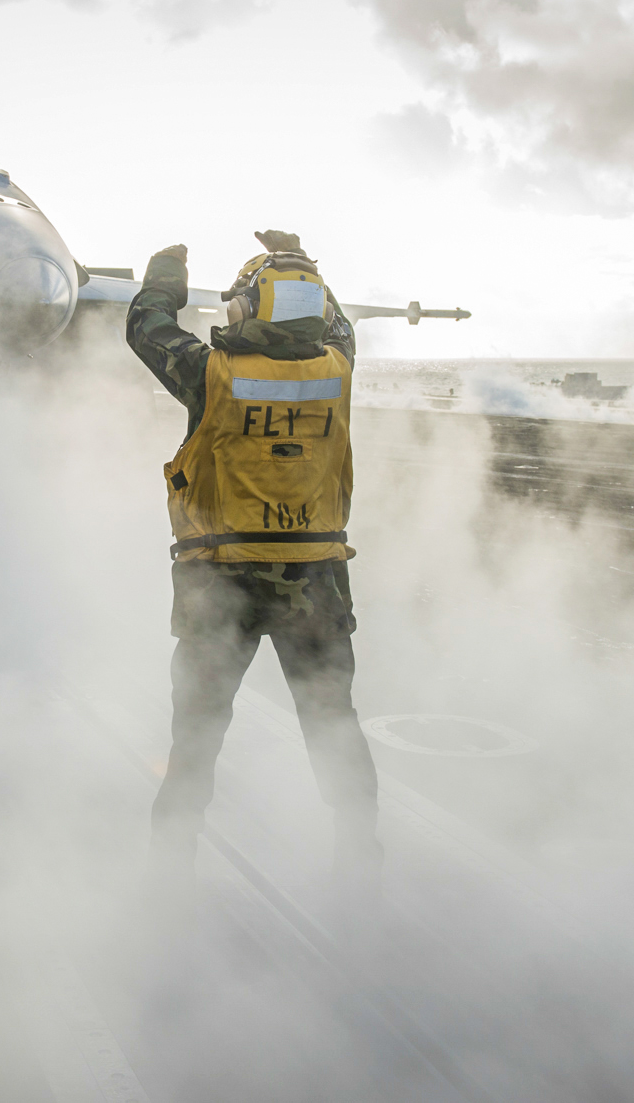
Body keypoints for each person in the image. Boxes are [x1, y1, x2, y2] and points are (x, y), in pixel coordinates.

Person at [126, 230, 381, 887]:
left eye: (241, 299)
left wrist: (166, 270)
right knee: (334, 726)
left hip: (222, 586)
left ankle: (167, 875)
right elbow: (339, 324)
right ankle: (360, 861)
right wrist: (302, 261)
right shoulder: (339, 366)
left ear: (255, 305)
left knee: (196, 743)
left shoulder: (213, 374)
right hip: (317, 584)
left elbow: (145, 324)